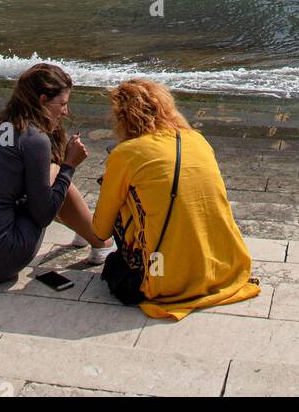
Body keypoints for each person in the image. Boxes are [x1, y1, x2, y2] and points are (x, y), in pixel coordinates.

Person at [92, 79, 260, 321]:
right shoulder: (197, 140)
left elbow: (100, 231)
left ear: (122, 117)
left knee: (114, 268)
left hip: (164, 281)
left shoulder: (125, 154)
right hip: (226, 270)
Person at [0, 63, 112, 286]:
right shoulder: (34, 139)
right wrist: (70, 164)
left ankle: (87, 231)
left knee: (45, 181)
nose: (65, 111)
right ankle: (100, 242)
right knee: (56, 173)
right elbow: (43, 215)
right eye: (63, 104)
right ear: (42, 100)